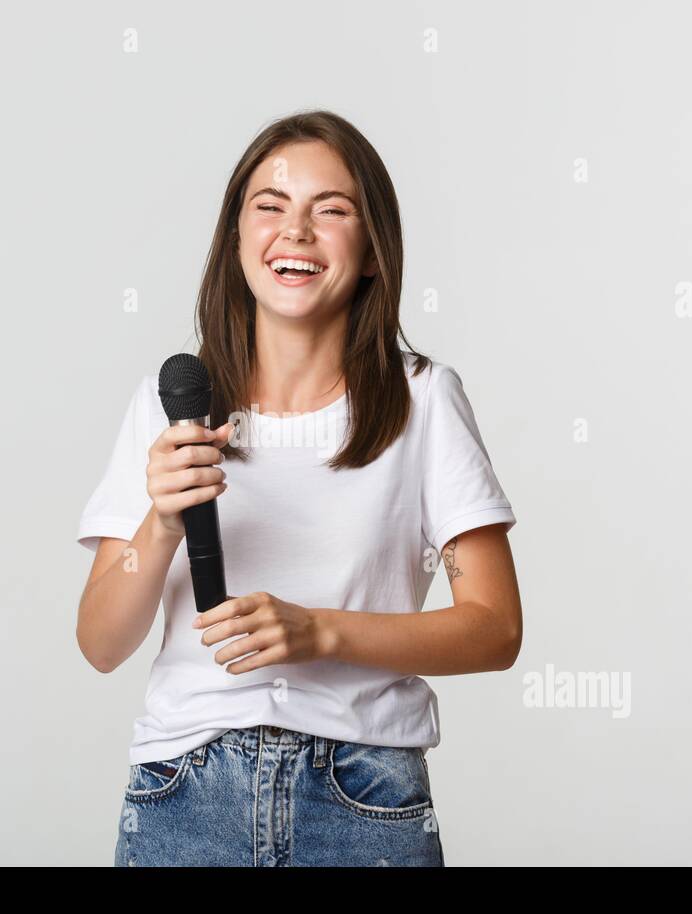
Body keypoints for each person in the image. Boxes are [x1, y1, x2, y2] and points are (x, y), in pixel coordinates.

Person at [75, 110, 522, 867]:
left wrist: (321, 633)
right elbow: (100, 643)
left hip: (364, 798)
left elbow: (495, 628)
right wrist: (159, 523)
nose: (297, 232)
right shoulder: (168, 403)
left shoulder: (424, 402)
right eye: (271, 207)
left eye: (332, 210)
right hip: (184, 795)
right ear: (238, 239)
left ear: (374, 249)